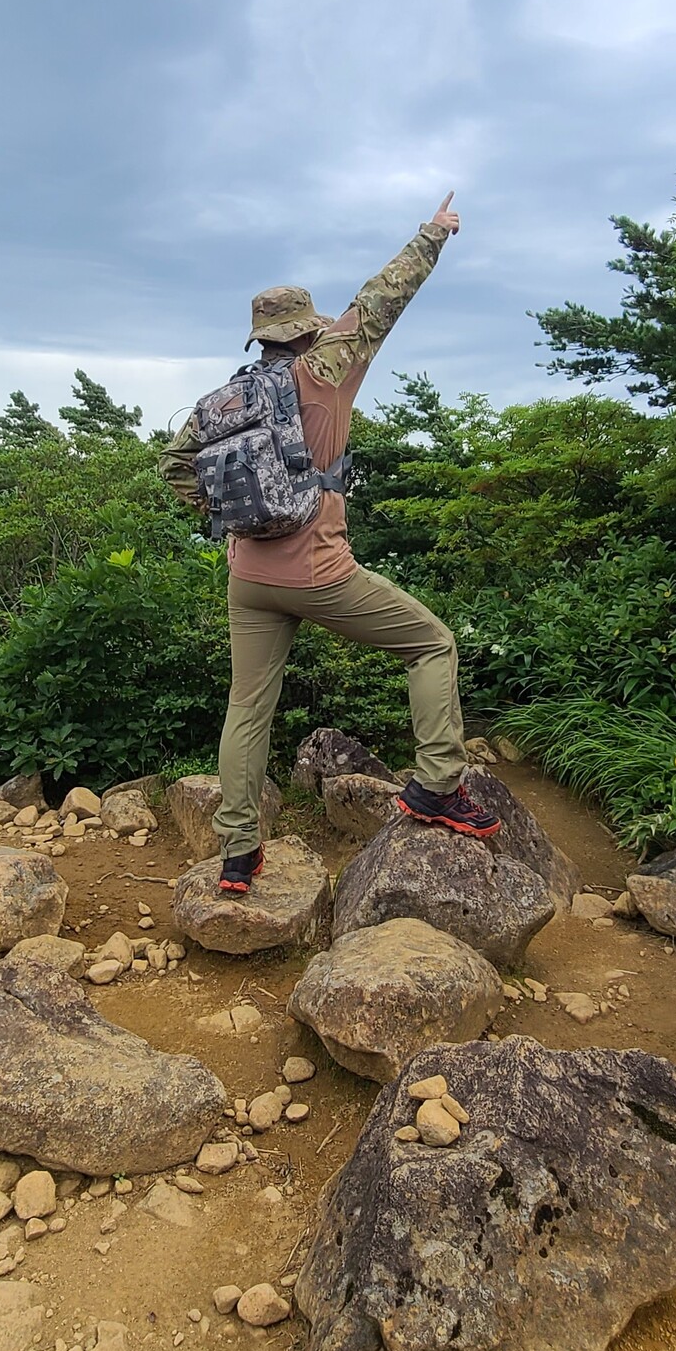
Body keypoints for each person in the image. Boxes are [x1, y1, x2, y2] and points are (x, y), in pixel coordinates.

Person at [159, 194, 500, 891]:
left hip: (247, 577)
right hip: (318, 572)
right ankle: (437, 785)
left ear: (261, 338)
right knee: (431, 643)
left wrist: (239, 515)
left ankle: (237, 853)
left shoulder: (224, 399)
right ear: (306, 332)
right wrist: (433, 233)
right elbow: (381, 298)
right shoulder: (325, 369)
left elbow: (174, 465)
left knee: (246, 706)